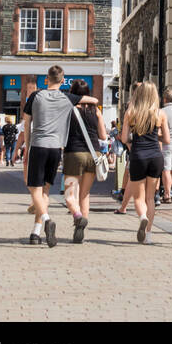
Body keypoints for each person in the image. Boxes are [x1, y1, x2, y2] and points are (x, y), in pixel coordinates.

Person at [23, 65, 97, 246]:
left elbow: (27, 123)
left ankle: (47, 220)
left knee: (35, 189)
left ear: (46, 79)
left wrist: (27, 146)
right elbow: (94, 99)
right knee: (45, 190)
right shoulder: (67, 98)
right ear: (63, 81)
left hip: (39, 145)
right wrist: (80, 100)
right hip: (56, 148)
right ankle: (35, 232)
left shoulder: (35, 96)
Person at [121, 82, 169, 245]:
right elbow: (167, 139)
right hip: (156, 156)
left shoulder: (131, 112)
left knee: (138, 197)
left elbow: (124, 138)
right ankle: (148, 234)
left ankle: (142, 217)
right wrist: (156, 137)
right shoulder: (160, 113)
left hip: (138, 156)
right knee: (150, 198)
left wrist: (134, 138)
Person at [62, 78, 107, 242]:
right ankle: (81, 230)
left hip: (74, 153)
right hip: (93, 154)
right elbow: (103, 135)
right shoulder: (95, 110)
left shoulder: (68, 108)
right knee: (85, 194)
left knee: (69, 195)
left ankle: (77, 215)